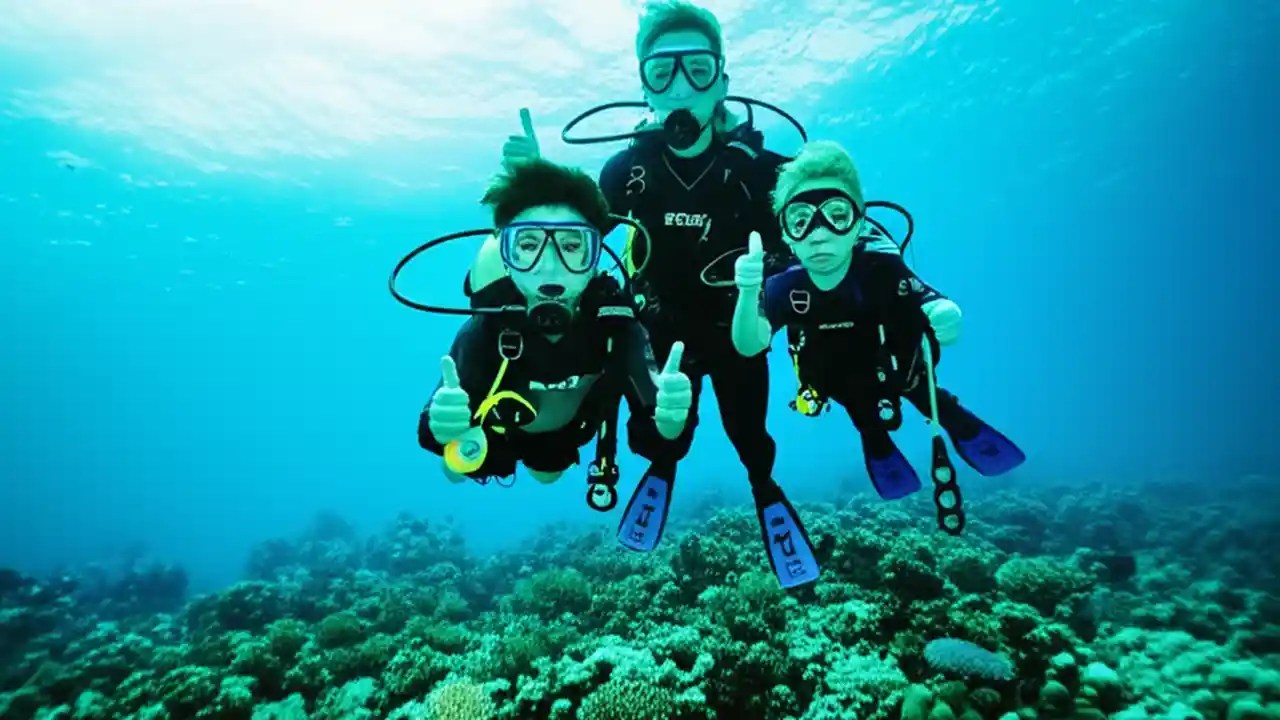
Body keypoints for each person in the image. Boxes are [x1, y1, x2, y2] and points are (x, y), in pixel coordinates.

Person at [501, 0, 823, 589]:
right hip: (657, 329)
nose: (680, 87)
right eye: (661, 71)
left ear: (723, 79)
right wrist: (528, 188)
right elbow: (568, 245)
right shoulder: (624, 173)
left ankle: (765, 488)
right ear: (644, 87)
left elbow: (827, 234)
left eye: (697, 70)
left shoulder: (766, 174)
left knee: (750, 433)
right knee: (658, 433)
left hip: (739, 327)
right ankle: (662, 464)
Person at [731, 140, 1025, 501]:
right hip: (837, 379)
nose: (819, 234)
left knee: (920, 387)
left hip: (899, 366)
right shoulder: (782, 289)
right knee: (859, 410)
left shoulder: (881, 269)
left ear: (858, 224)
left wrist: (944, 313)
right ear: (787, 236)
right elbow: (750, 344)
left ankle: (950, 416)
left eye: (836, 216)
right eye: (801, 220)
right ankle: (874, 437)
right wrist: (747, 292)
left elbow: (928, 298)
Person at [419, 158, 693, 503]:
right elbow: (439, 420)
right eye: (529, 246)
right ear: (506, 257)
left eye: (572, 246)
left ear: (595, 257)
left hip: (567, 432)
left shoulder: (616, 324)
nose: (549, 267)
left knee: (547, 475)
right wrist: (444, 426)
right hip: (499, 430)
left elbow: (654, 426)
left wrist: (668, 420)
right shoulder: (487, 327)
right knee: (455, 468)